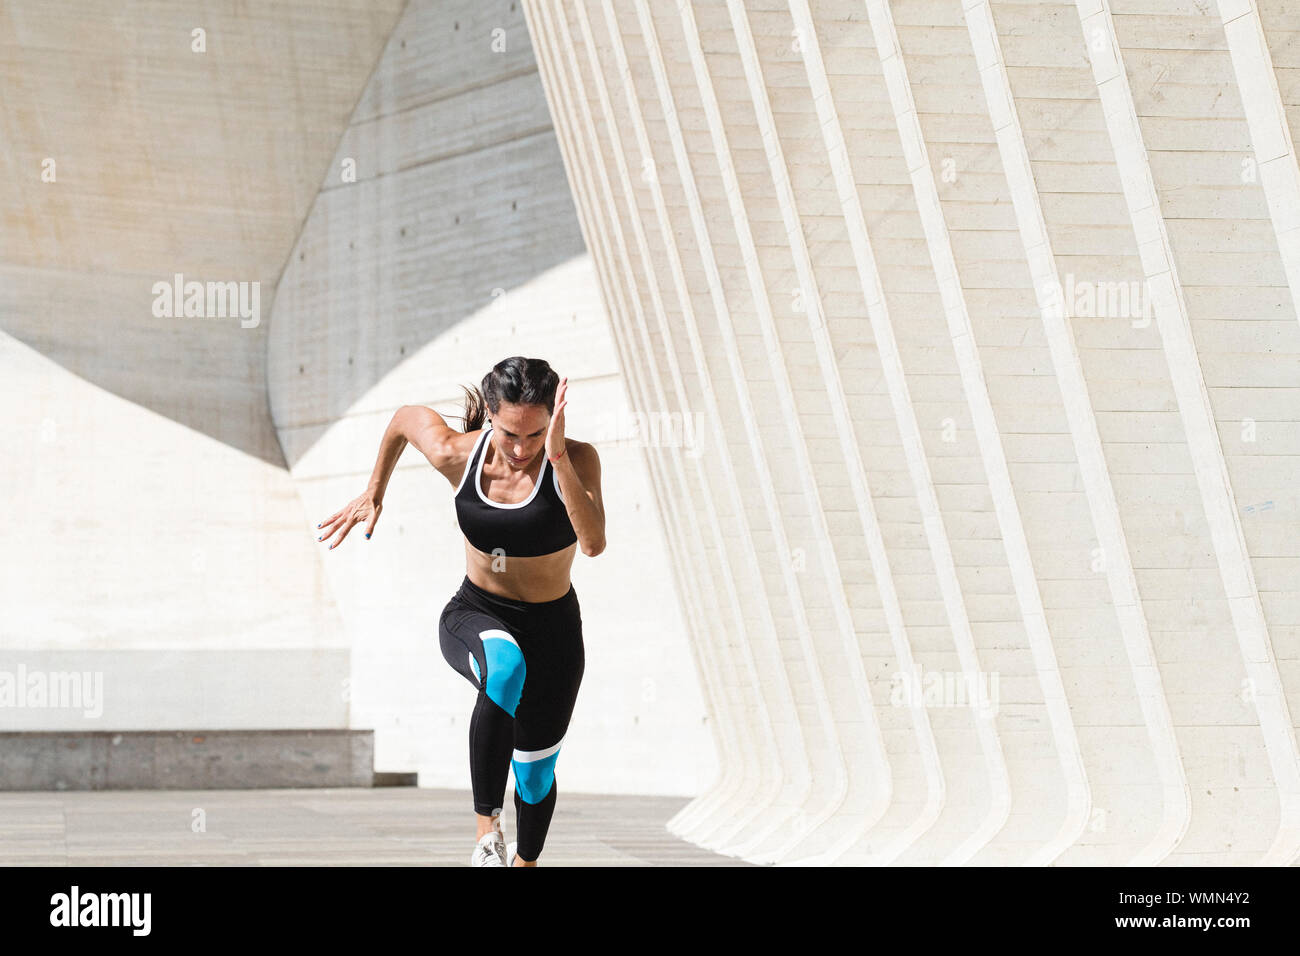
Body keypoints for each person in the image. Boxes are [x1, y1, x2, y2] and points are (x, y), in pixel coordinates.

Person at [316, 356, 606, 867]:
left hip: (554, 633)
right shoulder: (458, 454)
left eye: (535, 435)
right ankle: (486, 834)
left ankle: (525, 861)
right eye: (509, 434)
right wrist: (374, 490)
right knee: (505, 665)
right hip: (477, 613)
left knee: (536, 777)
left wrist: (557, 457)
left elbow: (593, 542)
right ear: (490, 415)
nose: (520, 450)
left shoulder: (576, 459)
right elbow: (405, 418)